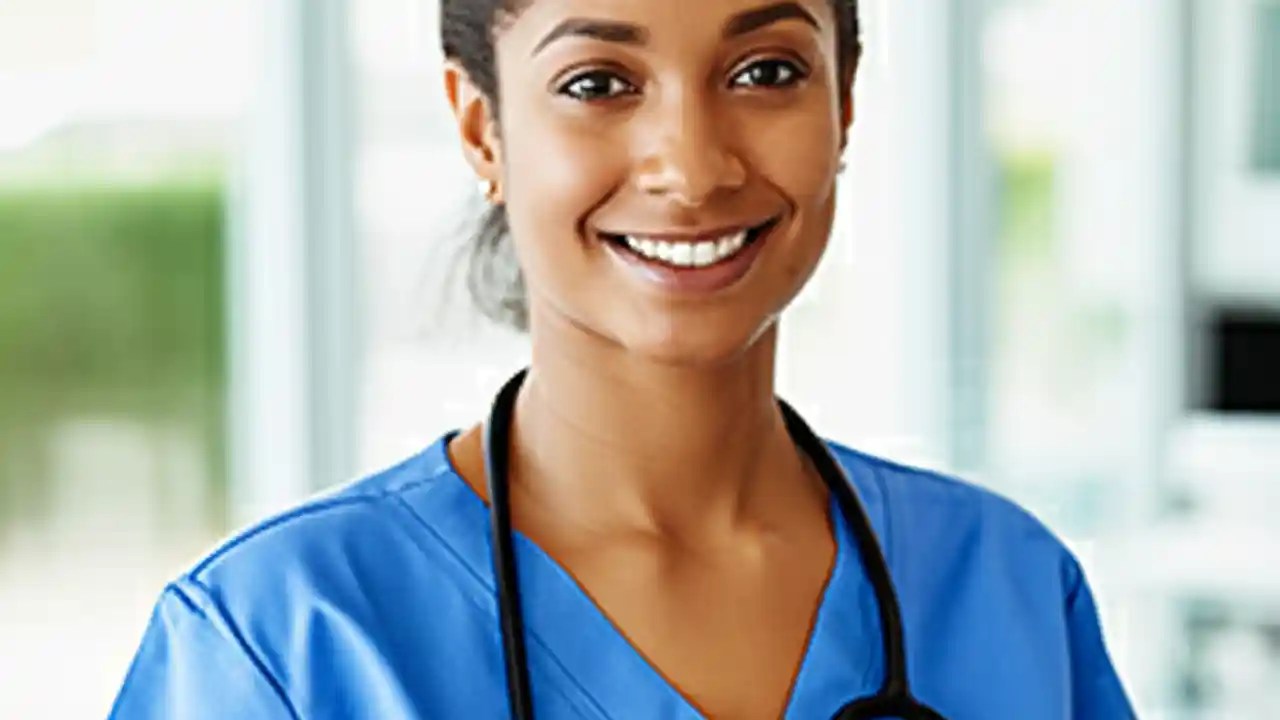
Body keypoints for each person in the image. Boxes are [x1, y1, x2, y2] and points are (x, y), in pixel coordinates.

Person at [109, 0, 1138, 718]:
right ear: (482, 129)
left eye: (766, 71)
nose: (690, 167)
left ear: (844, 106)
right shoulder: (281, 640)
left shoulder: (1004, 589)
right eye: (598, 81)